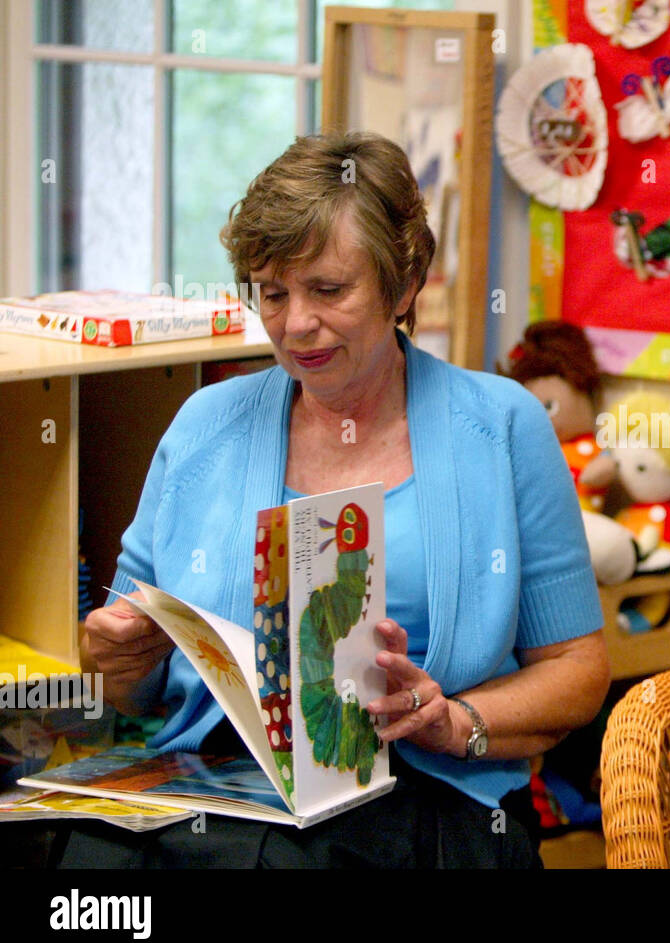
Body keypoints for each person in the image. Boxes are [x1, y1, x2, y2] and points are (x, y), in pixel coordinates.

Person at [66, 132, 610, 867]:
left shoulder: (503, 426)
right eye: (272, 291)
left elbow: (578, 668)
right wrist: (118, 658)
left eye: (328, 289)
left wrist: (456, 720)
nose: (295, 325)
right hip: (215, 787)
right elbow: (131, 685)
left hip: (419, 791)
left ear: (405, 281)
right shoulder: (204, 425)